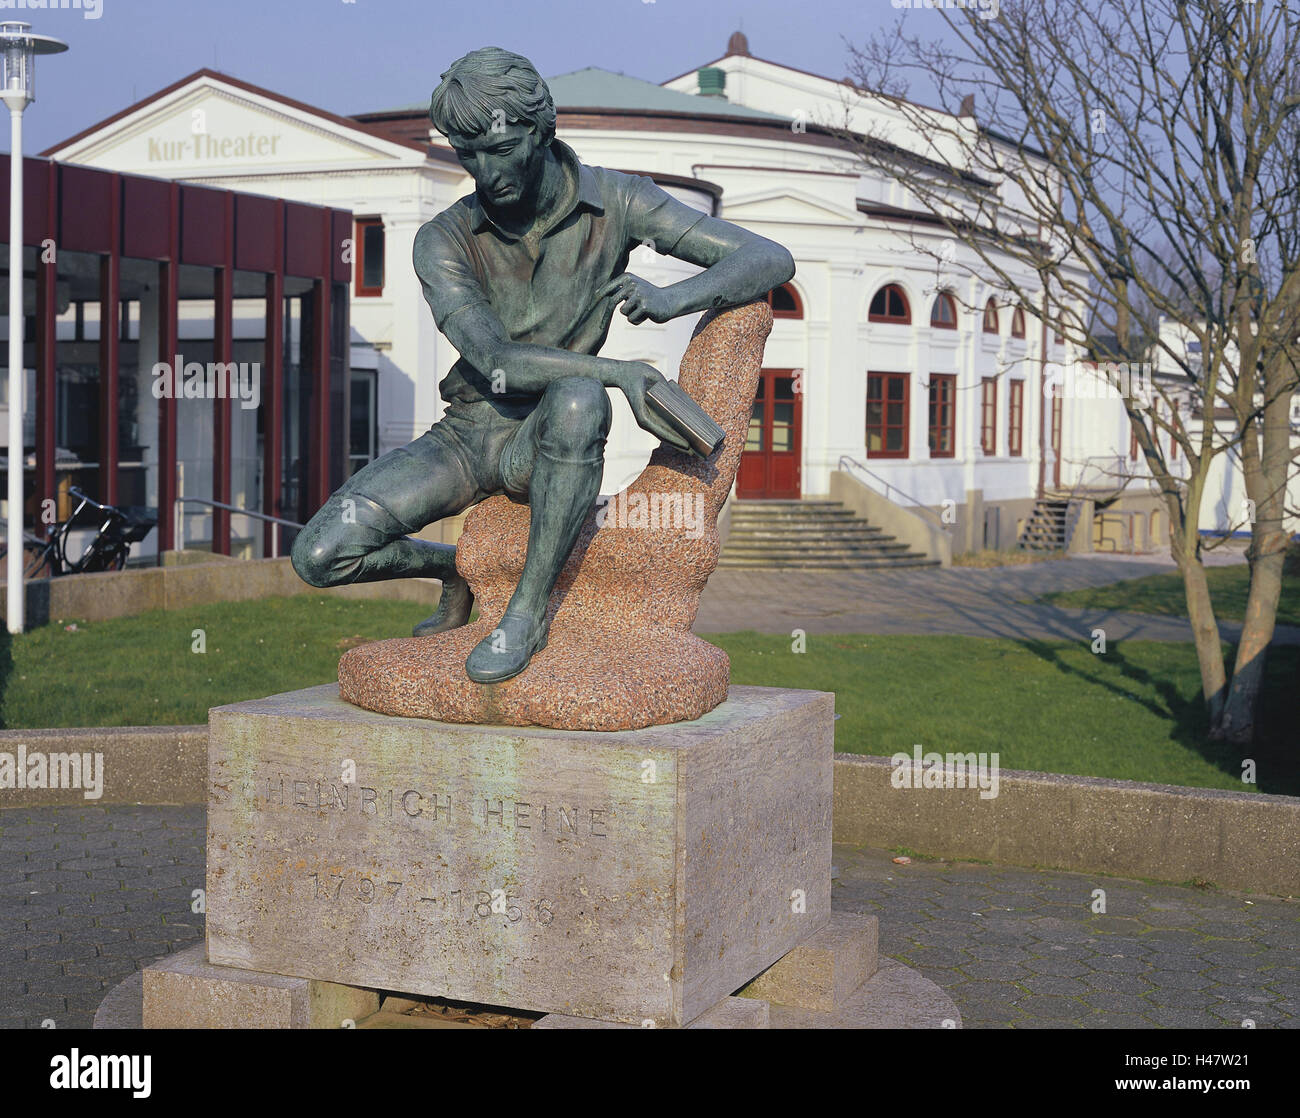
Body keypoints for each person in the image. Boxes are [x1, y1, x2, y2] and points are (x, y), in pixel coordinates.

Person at [292, 47, 794, 683]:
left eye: (499, 148)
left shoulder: (618, 200)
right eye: (466, 153)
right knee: (318, 555)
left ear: (541, 128)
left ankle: (526, 613)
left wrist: (672, 299)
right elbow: (495, 359)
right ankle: (453, 569)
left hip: (552, 430)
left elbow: (767, 259)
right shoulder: (442, 239)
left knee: (580, 398)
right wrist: (624, 373)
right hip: (469, 434)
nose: (484, 170)